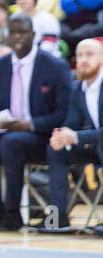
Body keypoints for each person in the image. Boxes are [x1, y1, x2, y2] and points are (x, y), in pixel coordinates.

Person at [0, 14, 72, 231]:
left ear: (33, 35)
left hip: (42, 137)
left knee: (13, 141)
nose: (17, 37)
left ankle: (12, 212)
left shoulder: (55, 66)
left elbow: (63, 114)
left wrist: (29, 124)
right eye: (12, 32)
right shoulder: (2, 65)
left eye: (22, 32)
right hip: (7, 134)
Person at [42, 38, 103, 232]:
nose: (83, 60)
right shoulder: (78, 88)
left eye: (89, 55)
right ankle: (56, 217)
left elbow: (78, 134)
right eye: (80, 55)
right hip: (96, 145)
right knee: (55, 151)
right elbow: (72, 123)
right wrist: (59, 135)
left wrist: (76, 137)